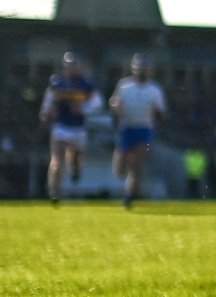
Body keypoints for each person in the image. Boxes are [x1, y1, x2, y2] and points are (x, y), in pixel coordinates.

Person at [40, 52, 100, 207]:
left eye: (75, 66)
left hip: (79, 129)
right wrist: (46, 113)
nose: (72, 69)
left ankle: (75, 170)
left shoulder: (86, 85)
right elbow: (48, 102)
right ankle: (54, 191)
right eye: (70, 66)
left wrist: (83, 110)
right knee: (57, 160)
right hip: (61, 127)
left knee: (75, 161)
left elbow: (97, 103)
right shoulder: (57, 83)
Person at [109, 55, 167, 211]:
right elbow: (114, 102)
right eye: (140, 68)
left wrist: (159, 114)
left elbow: (162, 112)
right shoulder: (125, 86)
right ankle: (124, 166)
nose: (142, 71)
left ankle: (129, 196)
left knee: (137, 166)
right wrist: (116, 107)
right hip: (127, 128)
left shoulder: (154, 90)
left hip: (144, 129)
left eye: (145, 68)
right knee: (120, 171)